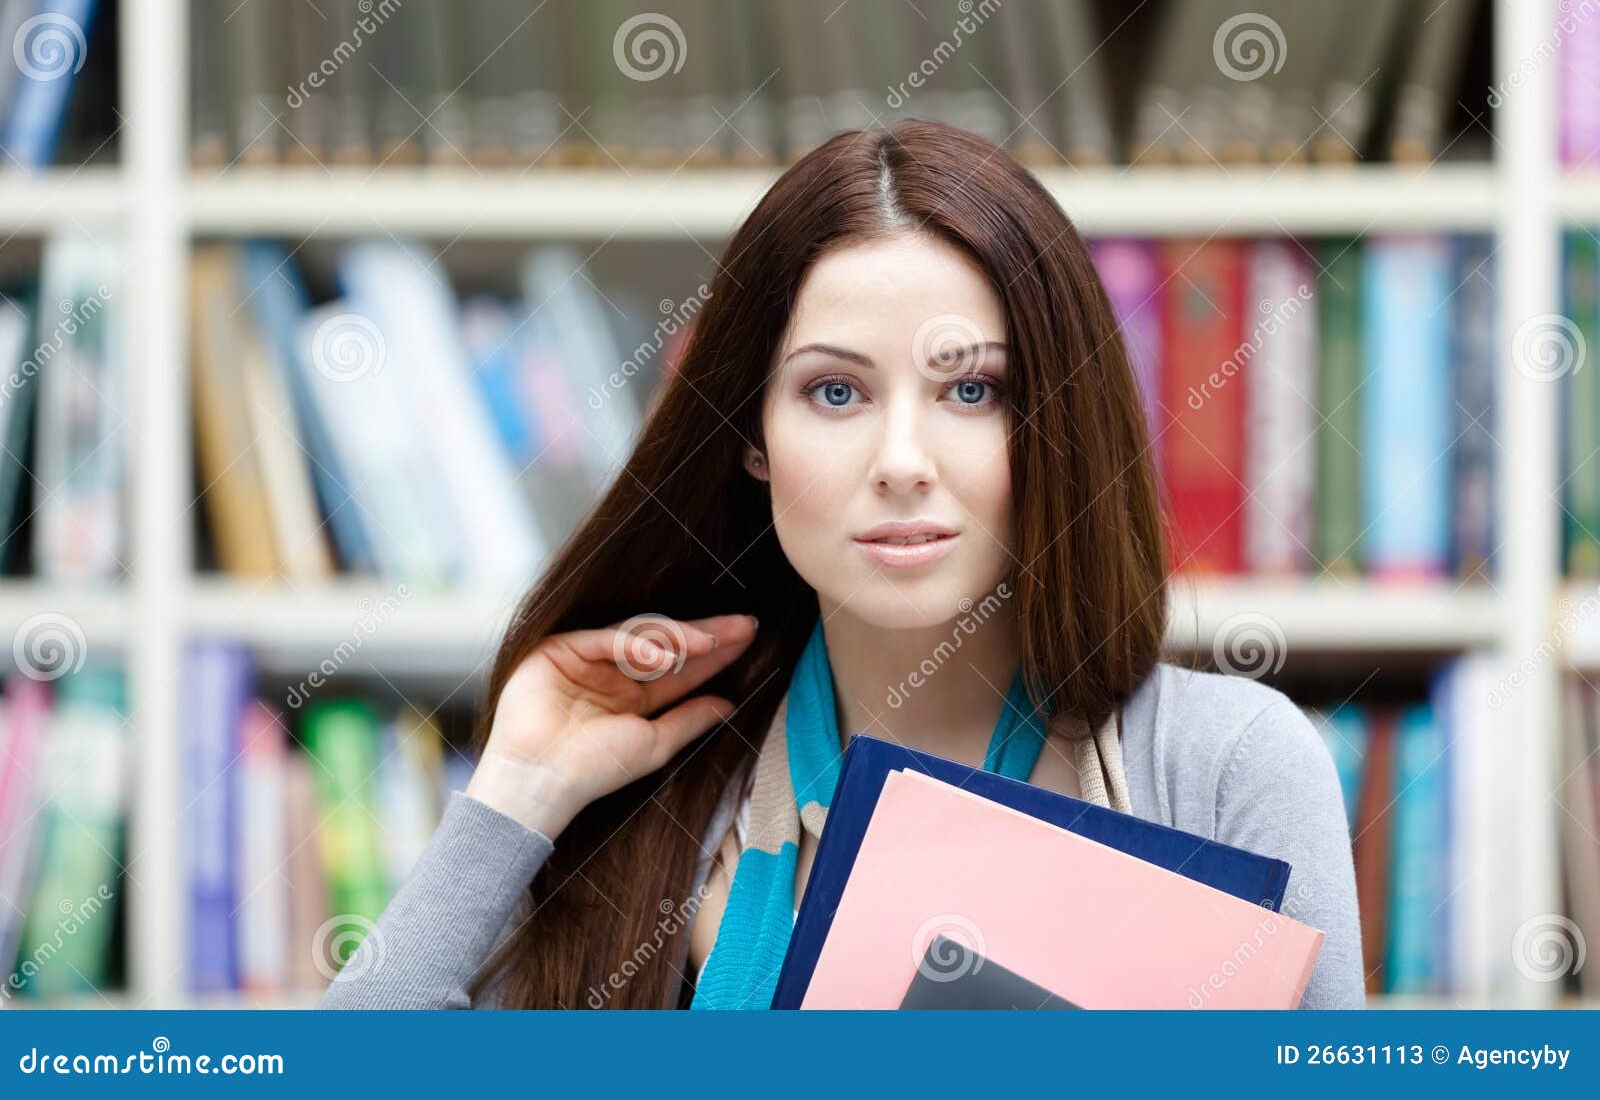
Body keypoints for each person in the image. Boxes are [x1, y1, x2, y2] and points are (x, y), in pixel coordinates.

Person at [319, 119, 1364, 1010]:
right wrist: (517, 792)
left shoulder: (1224, 766)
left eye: (972, 391)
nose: (902, 463)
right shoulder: (656, 791)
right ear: (752, 435)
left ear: (1054, 423)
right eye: (834, 392)